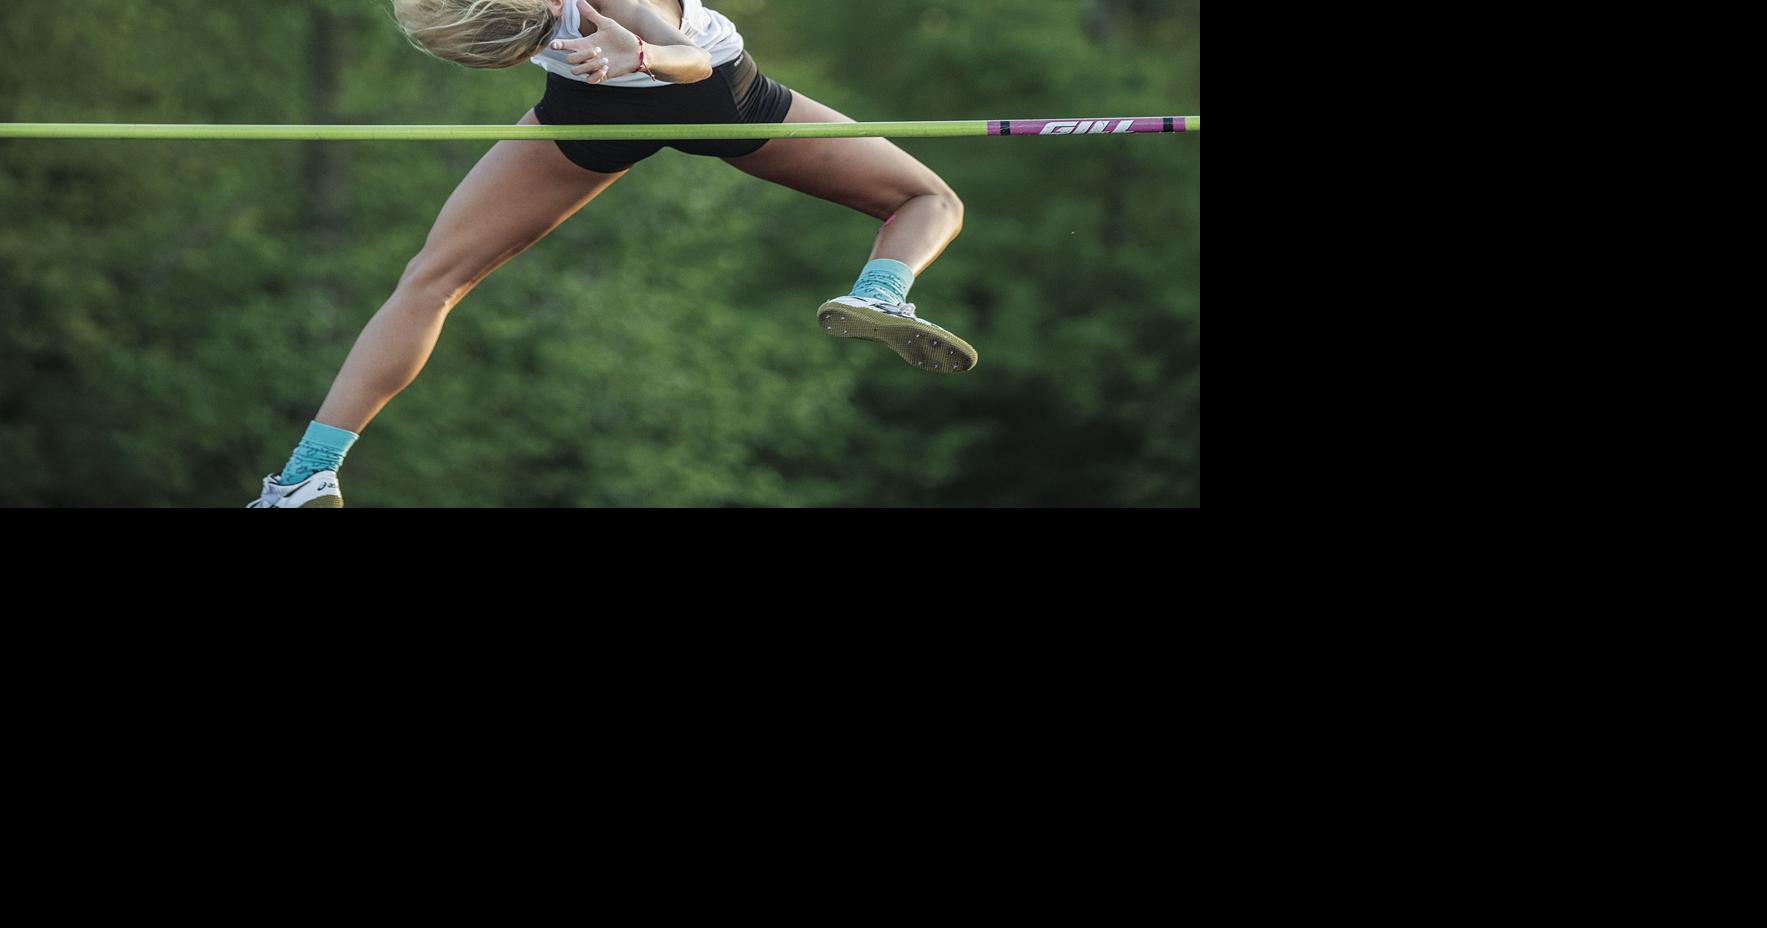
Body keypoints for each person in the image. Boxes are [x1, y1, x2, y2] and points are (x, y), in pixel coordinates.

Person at [248, 0, 974, 508]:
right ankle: (879, 291)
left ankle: (308, 473)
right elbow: (689, 60)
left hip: (590, 106)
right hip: (709, 97)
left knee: (433, 282)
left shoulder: (520, 20)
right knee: (927, 200)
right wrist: (648, 51)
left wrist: (638, 55)